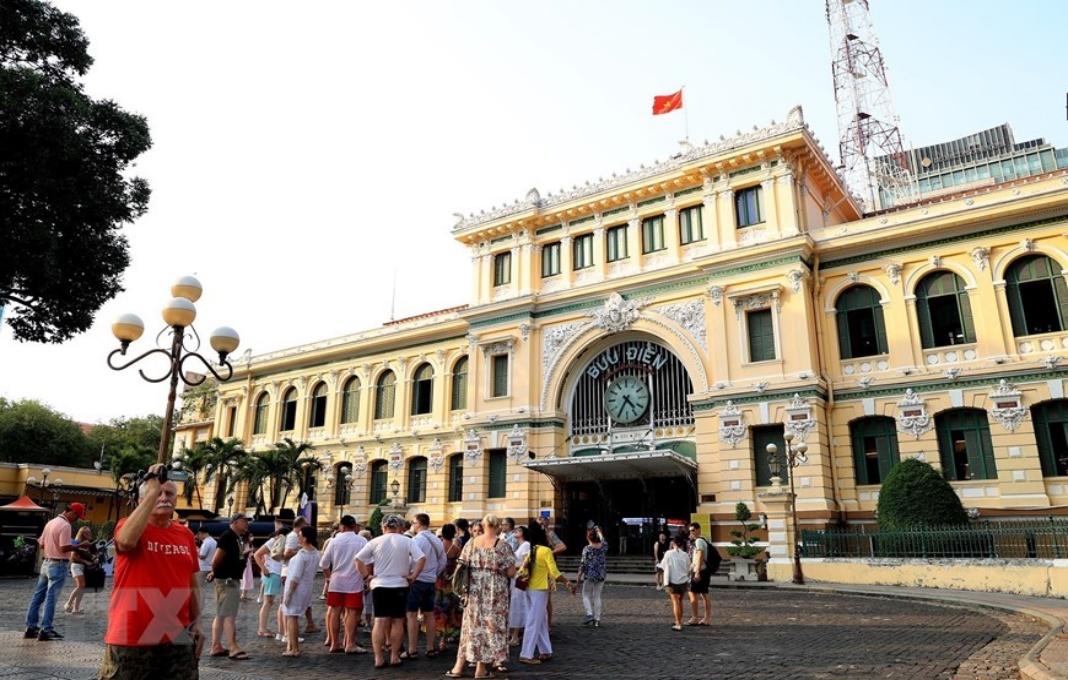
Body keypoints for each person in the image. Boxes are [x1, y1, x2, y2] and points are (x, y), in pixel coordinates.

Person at [98, 465, 204, 678]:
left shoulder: (185, 535)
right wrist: (151, 490)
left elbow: (191, 581)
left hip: (177, 635)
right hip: (132, 635)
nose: (163, 497)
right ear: (141, 501)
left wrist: (197, 621)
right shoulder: (128, 526)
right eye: (157, 493)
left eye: (169, 493)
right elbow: (126, 542)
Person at [447, 514, 516, 679]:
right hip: (494, 592)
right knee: (489, 628)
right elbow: (511, 572)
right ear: (498, 526)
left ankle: (458, 667)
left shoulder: (471, 543)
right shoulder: (503, 545)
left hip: (474, 589)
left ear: (483, 525)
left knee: (470, 627)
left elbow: (461, 563)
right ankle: (480, 669)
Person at [355, 514, 425, 669]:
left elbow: (358, 560)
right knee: (398, 621)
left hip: (380, 584)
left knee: (379, 621)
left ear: (384, 527)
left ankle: (378, 658)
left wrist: (367, 576)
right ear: (399, 527)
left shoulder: (375, 541)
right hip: (399, 584)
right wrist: (413, 576)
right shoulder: (407, 541)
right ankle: (394, 656)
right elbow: (421, 558)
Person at [24, 501, 86, 641]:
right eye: (77, 517)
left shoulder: (51, 522)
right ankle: (46, 629)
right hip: (58, 564)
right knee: (51, 598)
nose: (76, 520)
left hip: (46, 563)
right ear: (72, 513)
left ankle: (31, 627)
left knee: (37, 597)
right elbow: (65, 548)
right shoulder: (65, 525)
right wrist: (80, 546)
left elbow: (41, 544)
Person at [517, 521, 575, 666]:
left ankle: (545, 650)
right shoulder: (546, 551)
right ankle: (526, 654)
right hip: (540, 590)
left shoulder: (532, 550)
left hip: (529, 589)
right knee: (534, 622)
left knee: (541, 620)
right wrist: (567, 582)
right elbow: (554, 572)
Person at [318, 514, 368, 654]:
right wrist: (366, 579)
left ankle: (334, 643)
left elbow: (324, 563)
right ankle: (350, 643)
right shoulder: (362, 541)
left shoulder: (334, 541)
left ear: (342, 526)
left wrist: (329, 578)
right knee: (351, 612)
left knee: (335, 611)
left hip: (336, 581)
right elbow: (368, 562)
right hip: (354, 582)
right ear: (354, 526)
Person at [206, 513, 251, 660]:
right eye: (244, 521)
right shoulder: (228, 537)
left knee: (221, 614)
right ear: (236, 522)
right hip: (227, 580)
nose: (247, 524)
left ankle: (216, 646)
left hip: (227, 578)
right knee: (229, 614)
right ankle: (233, 647)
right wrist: (216, 572)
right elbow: (216, 559)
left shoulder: (235, 538)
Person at [404, 513, 445, 659]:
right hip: (430, 581)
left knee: (412, 614)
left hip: (417, 580)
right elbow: (443, 561)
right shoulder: (437, 540)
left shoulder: (415, 540)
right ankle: (430, 647)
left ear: (418, 524)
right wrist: (434, 573)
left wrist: (411, 575)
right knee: (429, 614)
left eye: (413, 522)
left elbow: (410, 561)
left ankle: (412, 649)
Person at [281, 525, 319, 657]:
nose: (298, 537)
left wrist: (289, 593)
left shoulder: (302, 555)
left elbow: (295, 577)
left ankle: (294, 648)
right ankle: (291, 645)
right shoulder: (314, 553)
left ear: (305, 538)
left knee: (292, 617)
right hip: (306, 587)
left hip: (297, 588)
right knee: (293, 617)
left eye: (300, 535)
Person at [433, 523, 463, 651]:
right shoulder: (456, 549)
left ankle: (440, 639)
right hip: (450, 582)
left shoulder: (437, 547)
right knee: (451, 609)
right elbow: (458, 567)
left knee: (439, 609)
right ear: (454, 534)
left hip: (438, 581)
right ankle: (449, 636)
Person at [254, 527, 286, 638]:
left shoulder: (277, 542)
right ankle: (261, 628)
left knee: (269, 602)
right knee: (268, 602)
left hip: (275, 573)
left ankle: (262, 627)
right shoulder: (273, 542)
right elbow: (257, 554)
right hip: (271, 573)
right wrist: (263, 568)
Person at [538, 515, 566, 634]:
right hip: (537, 568)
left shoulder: (550, 534)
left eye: (543, 520)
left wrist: (549, 553)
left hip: (547, 569)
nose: (541, 523)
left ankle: (548, 625)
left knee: (546, 599)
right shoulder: (534, 534)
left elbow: (563, 546)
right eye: (540, 520)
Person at [658, 535, 691, 630]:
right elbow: (689, 567)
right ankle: (679, 620)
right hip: (683, 581)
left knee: (675, 602)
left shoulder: (669, 553)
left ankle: (678, 623)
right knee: (680, 601)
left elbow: (663, 565)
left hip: (672, 581)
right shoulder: (685, 554)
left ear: (673, 543)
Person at [577, 526, 607, 626]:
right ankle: (597, 619)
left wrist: (578, 578)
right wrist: (599, 531)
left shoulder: (586, 549)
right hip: (601, 574)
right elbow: (603, 540)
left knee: (585, 594)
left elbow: (583, 564)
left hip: (589, 574)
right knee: (597, 596)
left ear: (588, 538)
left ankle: (589, 614)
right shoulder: (603, 546)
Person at [65, 525, 97, 614]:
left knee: (82, 587)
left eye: (89, 532)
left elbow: (95, 554)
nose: (88, 533)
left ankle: (76, 608)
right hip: (77, 565)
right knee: (81, 586)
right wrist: (85, 561)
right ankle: (68, 603)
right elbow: (73, 557)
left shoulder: (91, 543)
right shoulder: (77, 543)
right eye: (85, 532)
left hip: (86, 567)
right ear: (81, 533)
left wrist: (95, 559)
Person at [507, 524, 530, 648]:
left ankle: (515, 635)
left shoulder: (526, 545)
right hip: (516, 578)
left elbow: (526, 562)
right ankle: (515, 633)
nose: (516, 531)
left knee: (519, 604)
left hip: (520, 578)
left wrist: (513, 567)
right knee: (516, 604)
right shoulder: (520, 545)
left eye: (519, 530)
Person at [687, 522, 713, 626]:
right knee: (703, 594)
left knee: (693, 592)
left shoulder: (699, 541)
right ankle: (705, 618)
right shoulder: (701, 540)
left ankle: (695, 617)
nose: (691, 532)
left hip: (700, 570)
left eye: (693, 530)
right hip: (702, 570)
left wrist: (697, 571)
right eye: (690, 531)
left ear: (698, 530)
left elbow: (700, 555)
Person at [239, 533, 255, 600]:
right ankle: (242, 594)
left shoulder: (250, 544)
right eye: (250, 536)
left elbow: (251, 553)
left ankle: (245, 594)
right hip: (244, 562)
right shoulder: (242, 544)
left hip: (248, 562)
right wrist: (249, 550)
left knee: (248, 577)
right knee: (244, 577)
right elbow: (241, 553)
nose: (252, 537)